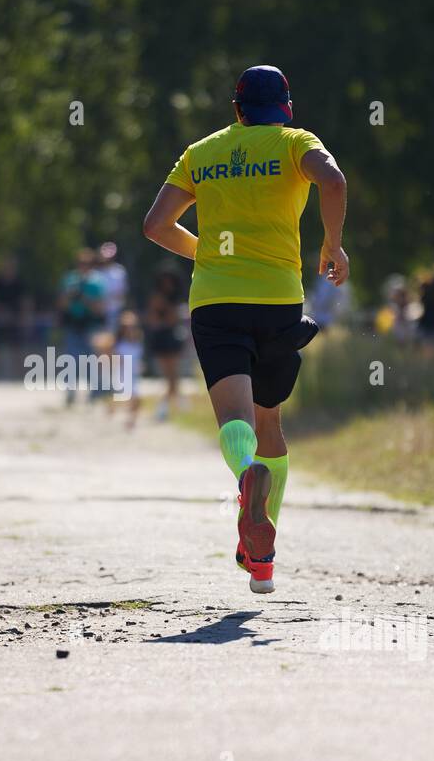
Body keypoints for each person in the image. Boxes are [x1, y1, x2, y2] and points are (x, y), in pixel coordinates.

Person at [143, 64, 347, 594]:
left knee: (237, 424)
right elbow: (333, 179)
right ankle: (261, 560)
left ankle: (246, 484)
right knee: (270, 422)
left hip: (217, 302)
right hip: (279, 303)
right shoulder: (295, 142)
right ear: (286, 106)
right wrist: (332, 246)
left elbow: (155, 226)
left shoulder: (201, 152)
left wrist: (205, 252)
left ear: (236, 109)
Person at [57, 248, 107, 405]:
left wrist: (84, 298)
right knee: (71, 360)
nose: (82, 266)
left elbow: (100, 307)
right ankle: (70, 392)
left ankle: (96, 392)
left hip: (91, 325)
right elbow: (61, 304)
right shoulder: (69, 280)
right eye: (80, 263)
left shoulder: (97, 281)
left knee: (94, 360)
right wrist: (69, 297)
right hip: (73, 324)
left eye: (86, 263)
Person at [144, 263, 188, 421]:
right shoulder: (157, 298)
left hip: (173, 337)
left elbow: (173, 320)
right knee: (170, 377)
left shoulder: (176, 298)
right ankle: (167, 407)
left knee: (174, 377)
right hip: (162, 338)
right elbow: (154, 320)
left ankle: (167, 407)